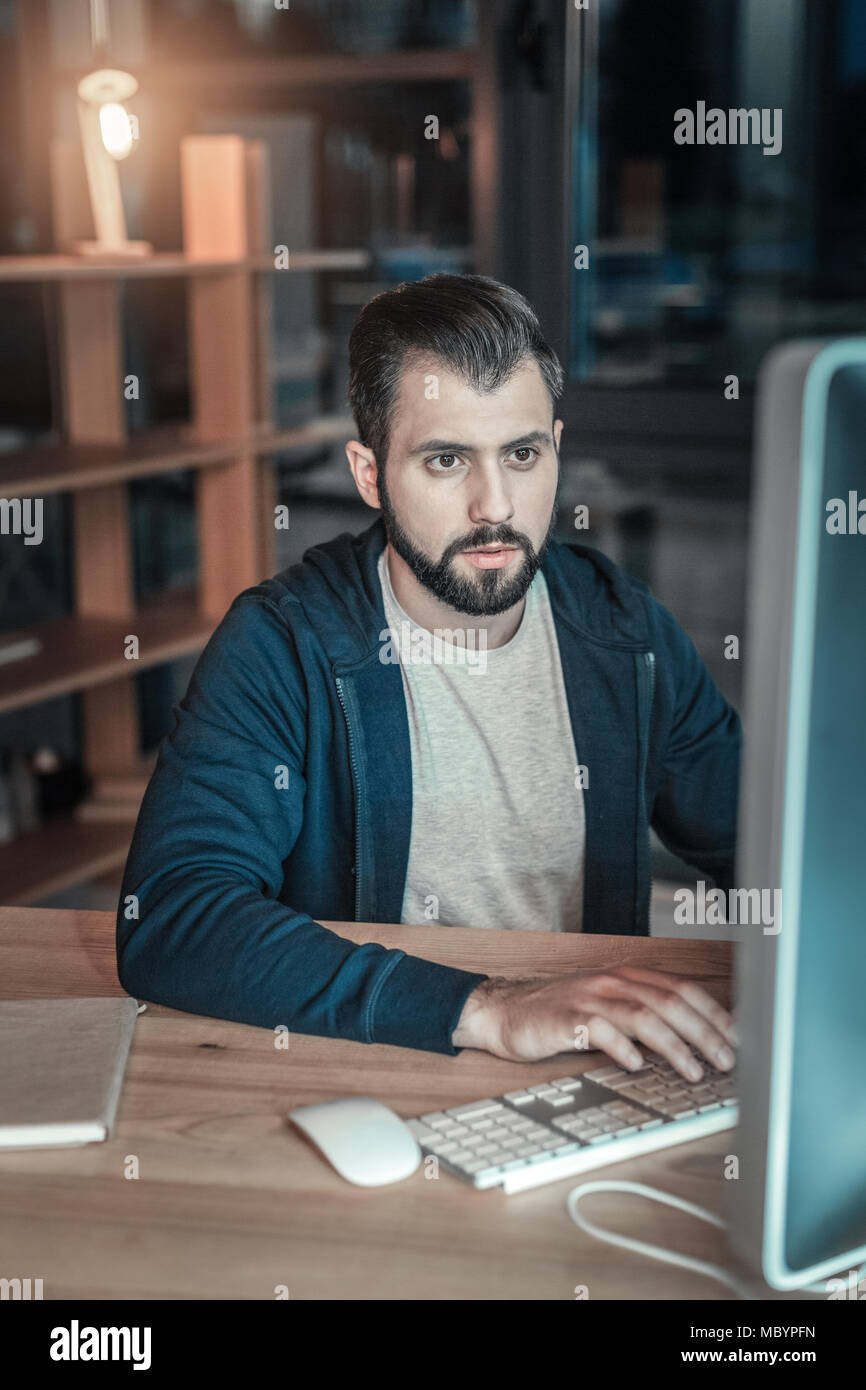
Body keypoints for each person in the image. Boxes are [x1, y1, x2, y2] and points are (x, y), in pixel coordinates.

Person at [117, 274, 740, 1082]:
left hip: (594, 1070)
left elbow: (773, 854)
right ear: (370, 474)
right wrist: (488, 1008)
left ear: (555, 447)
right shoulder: (284, 642)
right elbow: (173, 917)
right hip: (368, 1061)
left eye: (522, 455)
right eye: (446, 460)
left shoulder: (624, 632)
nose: (495, 505)